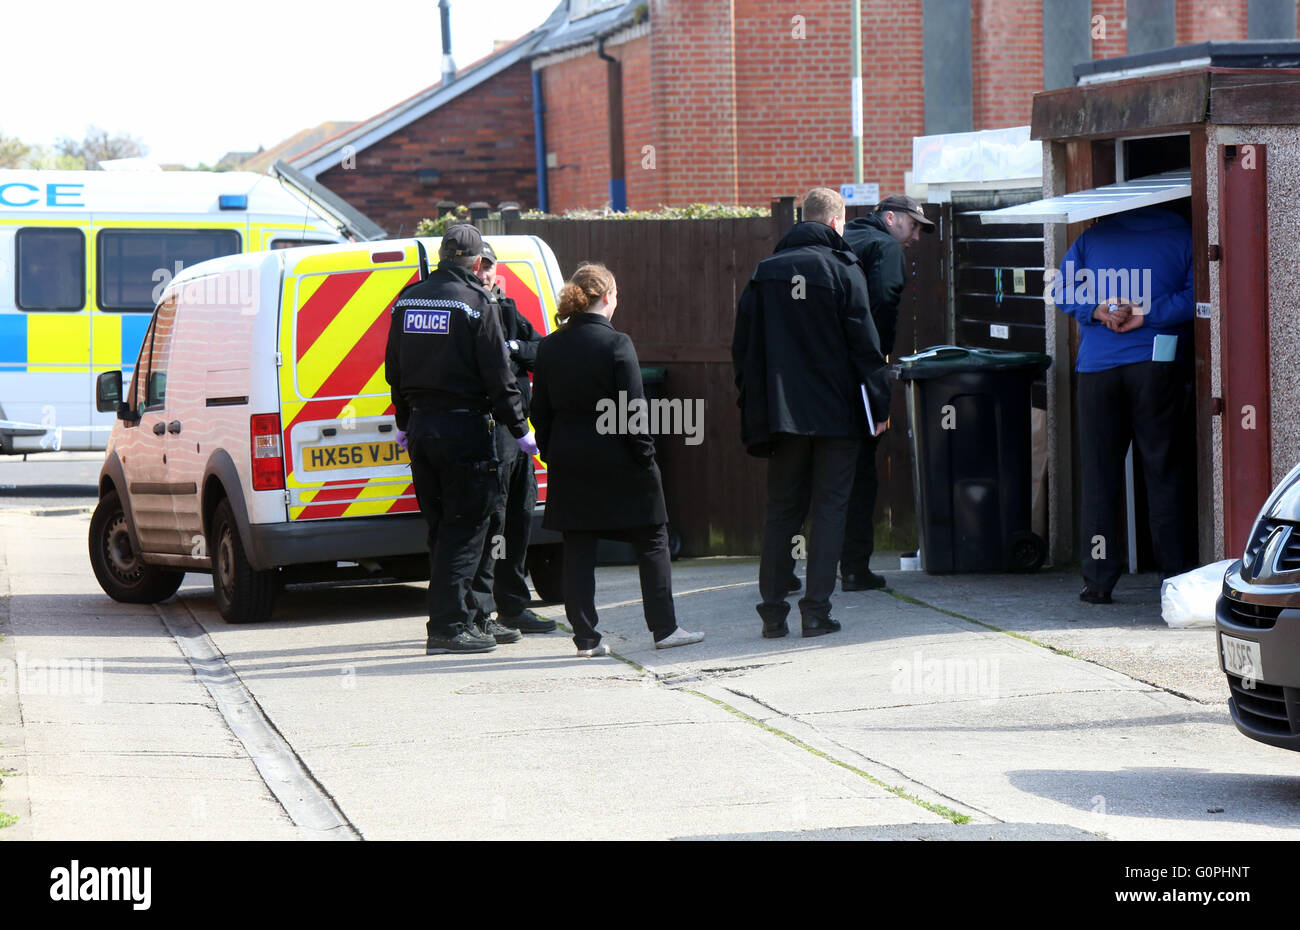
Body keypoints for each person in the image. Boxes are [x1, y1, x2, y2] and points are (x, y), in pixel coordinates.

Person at [733, 187, 891, 639]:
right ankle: (815, 612)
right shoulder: (844, 268)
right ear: (837, 223)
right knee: (830, 510)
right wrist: (880, 407)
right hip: (837, 416)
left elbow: (742, 350)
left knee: (782, 511)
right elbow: (867, 347)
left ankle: (771, 613)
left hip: (783, 417)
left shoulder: (765, 273)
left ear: (803, 219)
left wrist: (753, 403)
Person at [530, 262, 704, 657]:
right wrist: (645, 455)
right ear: (608, 296)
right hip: (621, 457)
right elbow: (633, 410)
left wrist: (552, 451)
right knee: (653, 540)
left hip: (570, 460)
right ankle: (664, 629)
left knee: (578, 547)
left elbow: (539, 411)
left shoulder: (550, 346)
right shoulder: (617, 343)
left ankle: (587, 640)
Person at [385, 224, 539, 654]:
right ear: (475, 262)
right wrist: (520, 428)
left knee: (442, 528)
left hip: (422, 430)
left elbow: (393, 370)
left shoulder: (407, 300)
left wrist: (403, 418)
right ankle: (449, 627)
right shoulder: (476, 303)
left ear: (441, 257)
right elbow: (499, 376)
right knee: (468, 529)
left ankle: (470, 617)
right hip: (466, 430)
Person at [1053, 204, 1195, 603]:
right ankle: (1175, 579)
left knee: (1099, 475)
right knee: (1163, 470)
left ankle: (1098, 580)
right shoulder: (1184, 235)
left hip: (1098, 369)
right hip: (1157, 364)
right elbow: (1197, 295)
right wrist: (1148, 314)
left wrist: (1096, 310)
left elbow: (1060, 289)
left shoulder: (1093, 238)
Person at [838, 193, 934, 591]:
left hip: (814, 376)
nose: (914, 238)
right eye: (912, 227)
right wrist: (878, 364)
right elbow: (884, 306)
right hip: (856, 376)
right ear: (891, 218)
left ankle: (790, 573)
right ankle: (855, 568)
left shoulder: (839, 241)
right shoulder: (884, 248)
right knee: (861, 473)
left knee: (812, 474)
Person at [469, 242, 556, 635]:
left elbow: (544, 351)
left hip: (520, 433)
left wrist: (515, 347)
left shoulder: (506, 308)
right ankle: (483, 613)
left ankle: (514, 607)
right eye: (479, 265)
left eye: (489, 266)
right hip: (490, 434)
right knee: (494, 524)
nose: (485, 272)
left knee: (520, 517)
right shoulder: (468, 312)